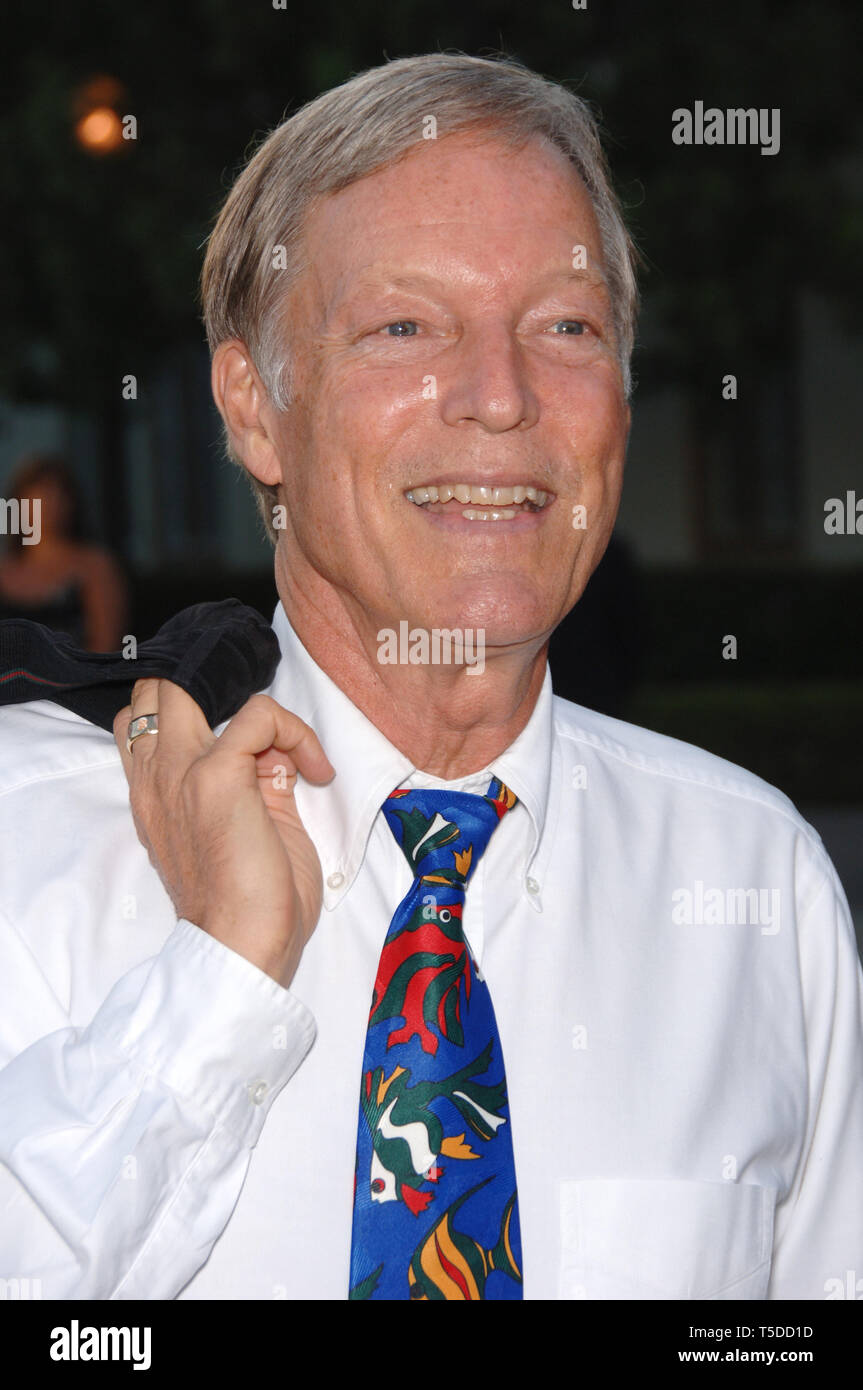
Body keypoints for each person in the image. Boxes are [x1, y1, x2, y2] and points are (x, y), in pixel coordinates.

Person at [0, 53, 860, 1301]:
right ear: (251, 407)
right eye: (404, 326)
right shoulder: (30, 836)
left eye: (564, 327)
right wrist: (220, 975)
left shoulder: (752, 880)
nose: (501, 398)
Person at [0, 453, 127, 650]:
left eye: (59, 493)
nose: (51, 502)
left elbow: (105, 647)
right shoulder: (5, 569)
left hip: (76, 678)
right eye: (41, 492)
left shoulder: (94, 565)